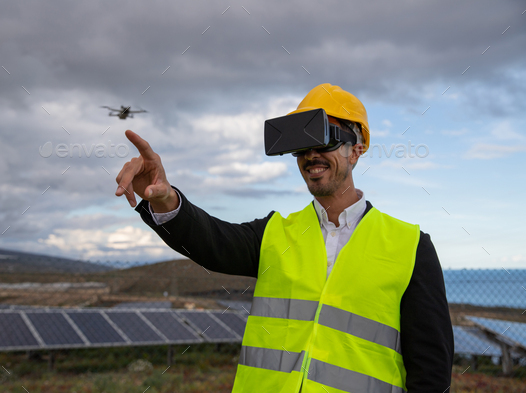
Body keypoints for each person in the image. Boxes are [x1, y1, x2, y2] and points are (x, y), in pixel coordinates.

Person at [115, 83, 454, 393]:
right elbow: (210, 241)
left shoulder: (410, 246)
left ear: (358, 149)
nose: (311, 154)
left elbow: (431, 373)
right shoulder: (275, 233)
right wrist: (164, 199)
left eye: (326, 138)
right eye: (301, 144)